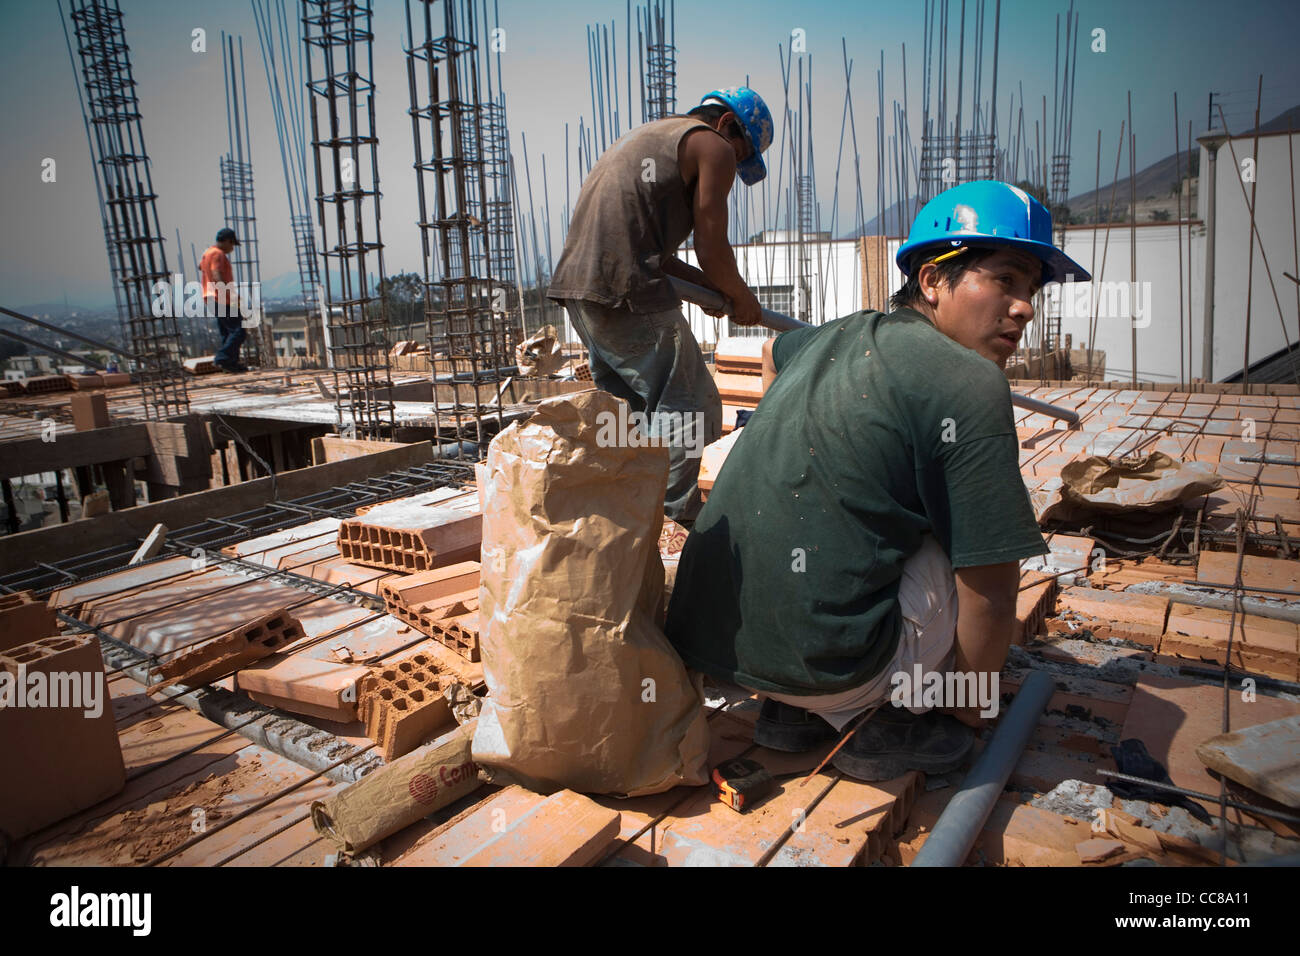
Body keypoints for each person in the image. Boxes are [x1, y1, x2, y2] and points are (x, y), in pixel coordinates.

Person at [665, 181, 1091, 781]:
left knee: (896, 508)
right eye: (1005, 279)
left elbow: (775, 352)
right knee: (966, 538)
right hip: (834, 669)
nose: (1023, 306)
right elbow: (992, 580)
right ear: (933, 281)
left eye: (1031, 290)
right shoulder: (970, 382)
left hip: (719, 647)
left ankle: (794, 712)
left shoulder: (834, 337)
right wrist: (968, 712)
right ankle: (896, 720)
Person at [547, 87, 774, 525]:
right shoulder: (713, 146)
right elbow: (711, 245)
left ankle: (625, 523)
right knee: (691, 404)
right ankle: (674, 524)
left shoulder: (652, 136)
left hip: (582, 290)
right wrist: (742, 297)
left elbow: (661, 255)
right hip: (625, 288)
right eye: (742, 150)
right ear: (728, 125)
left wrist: (712, 288)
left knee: (627, 415)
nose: (735, 161)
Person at [200, 227, 247, 373]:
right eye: (232, 244)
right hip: (222, 298)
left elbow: (200, 266)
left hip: (210, 297)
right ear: (227, 241)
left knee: (227, 333)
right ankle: (223, 358)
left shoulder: (207, 253)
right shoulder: (218, 254)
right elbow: (216, 273)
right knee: (239, 331)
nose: (232, 248)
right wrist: (229, 293)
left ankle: (230, 363)